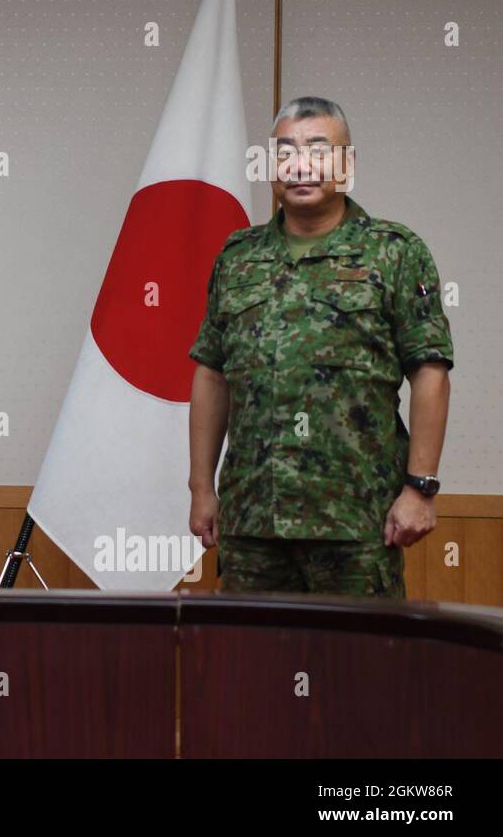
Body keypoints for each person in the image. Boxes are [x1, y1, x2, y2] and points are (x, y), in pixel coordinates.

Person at [187, 96, 452, 596]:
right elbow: (212, 374)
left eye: (318, 149)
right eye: (285, 151)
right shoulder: (238, 258)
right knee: (247, 665)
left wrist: (420, 488)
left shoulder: (394, 253)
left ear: (346, 165)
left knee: (357, 668)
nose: (300, 164)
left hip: (357, 521)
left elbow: (430, 372)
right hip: (252, 521)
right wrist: (202, 488)